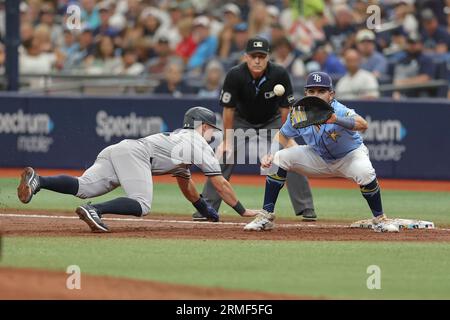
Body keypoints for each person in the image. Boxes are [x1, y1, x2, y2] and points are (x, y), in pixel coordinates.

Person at [17, 107, 257, 233]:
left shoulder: (180, 140)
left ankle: (39, 181)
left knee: (83, 187)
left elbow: (185, 183)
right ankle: (95, 210)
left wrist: (204, 209)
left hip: (120, 149)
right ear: (203, 125)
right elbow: (220, 183)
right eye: (212, 129)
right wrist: (242, 210)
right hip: (137, 154)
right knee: (142, 204)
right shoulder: (197, 143)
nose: (213, 134)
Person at [244, 71, 399, 233]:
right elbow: (283, 135)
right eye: (312, 91)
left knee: (366, 172)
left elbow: (363, 124)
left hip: (349, 157)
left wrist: (336, 119)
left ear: (331, 94)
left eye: (321, 91)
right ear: (306, 93)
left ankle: (380, 219)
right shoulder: (299, 113)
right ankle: (266, 216)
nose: (316, 95)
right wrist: (270, 153)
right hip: (318, 157)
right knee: (278, 158)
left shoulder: (338, 110)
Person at [193, 36, 316, 222]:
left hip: (272, 121)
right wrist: (226, 140)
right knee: (223, 156)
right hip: (241, 121)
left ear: (268, 57)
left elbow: (286, 109)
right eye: (253, 56)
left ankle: (306, 208)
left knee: (291, 154)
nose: (257, 60)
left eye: (261, 56)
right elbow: (228, 109)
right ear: (246, 57)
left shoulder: (279, 73)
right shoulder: (235, 75)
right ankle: (206, 208)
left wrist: (284, 136)